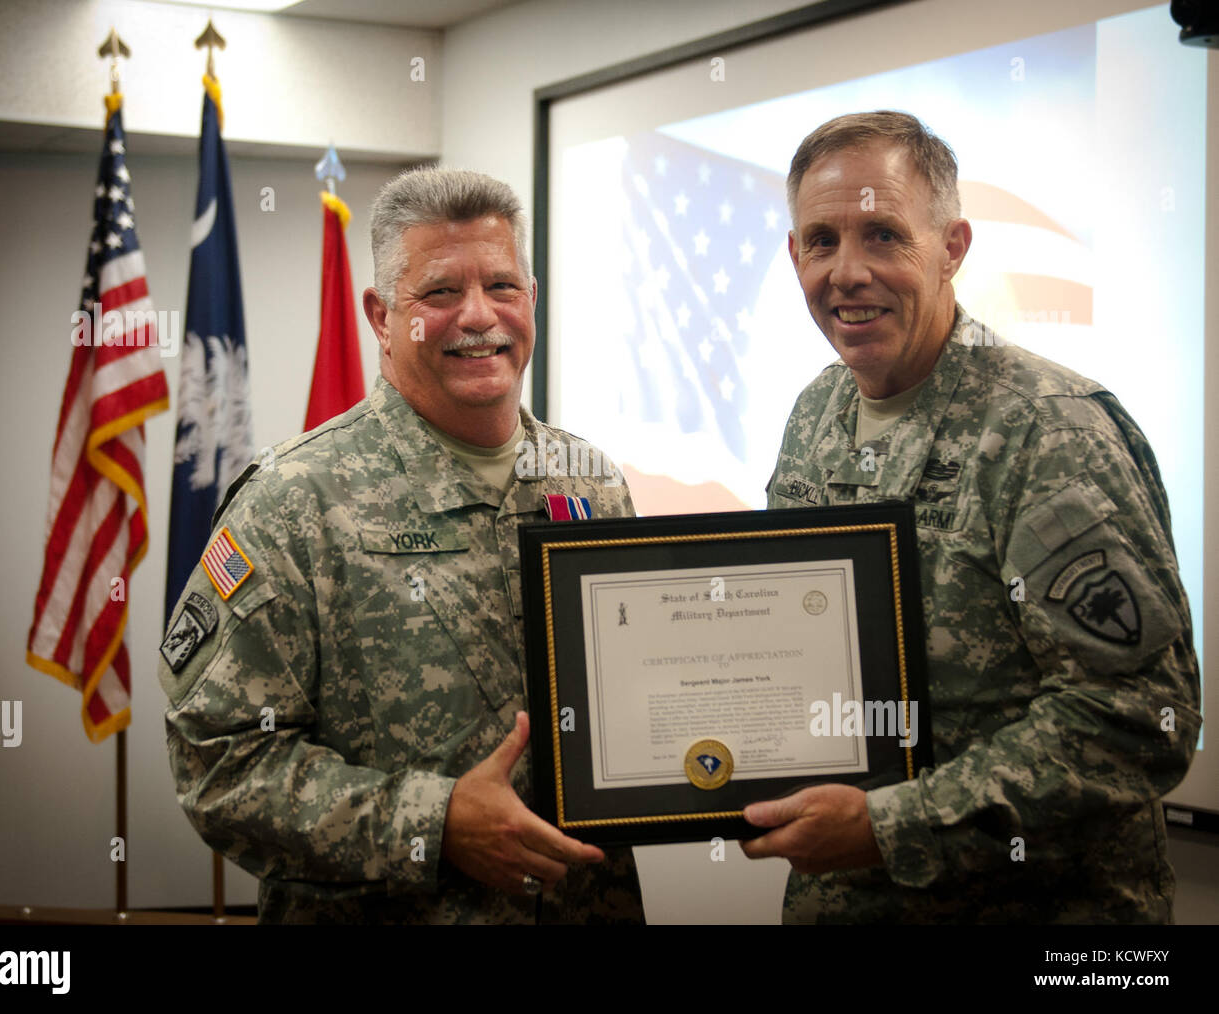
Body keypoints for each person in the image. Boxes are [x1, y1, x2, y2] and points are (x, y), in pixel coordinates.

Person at [739, 111, 1201, 923]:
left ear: (952, 247)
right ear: (793, 255)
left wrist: (891, 826)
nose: (847, 272)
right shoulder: (816, 414)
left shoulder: (1048, 428)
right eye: (821, 241)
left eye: (883, 235)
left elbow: (1137, 719)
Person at [157, 167, 644, 924]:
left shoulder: (593, 484)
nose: (478, 316)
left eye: (502, 287)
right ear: (382, 318)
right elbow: (217, 764)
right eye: (441, 293)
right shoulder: (295, 501)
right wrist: (433, 823)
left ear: (532, 301)